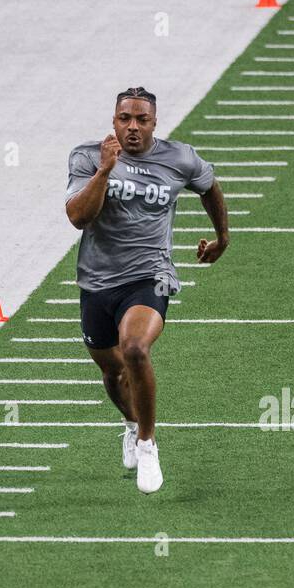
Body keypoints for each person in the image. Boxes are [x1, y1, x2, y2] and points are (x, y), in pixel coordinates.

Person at [64, 86, 229, 493]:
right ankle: (131, 423)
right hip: (97, 280)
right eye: (125, 119)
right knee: (113, 373)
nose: (133, 127)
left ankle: (148, 444)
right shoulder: (87, 157)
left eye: (142, 120)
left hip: (149, 275)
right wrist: (105, 171)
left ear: (155, 122)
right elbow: (78, 217)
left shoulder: (179, 158)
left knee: (135, 348)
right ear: (114, 120)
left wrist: (222, 238)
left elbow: (209, 186)